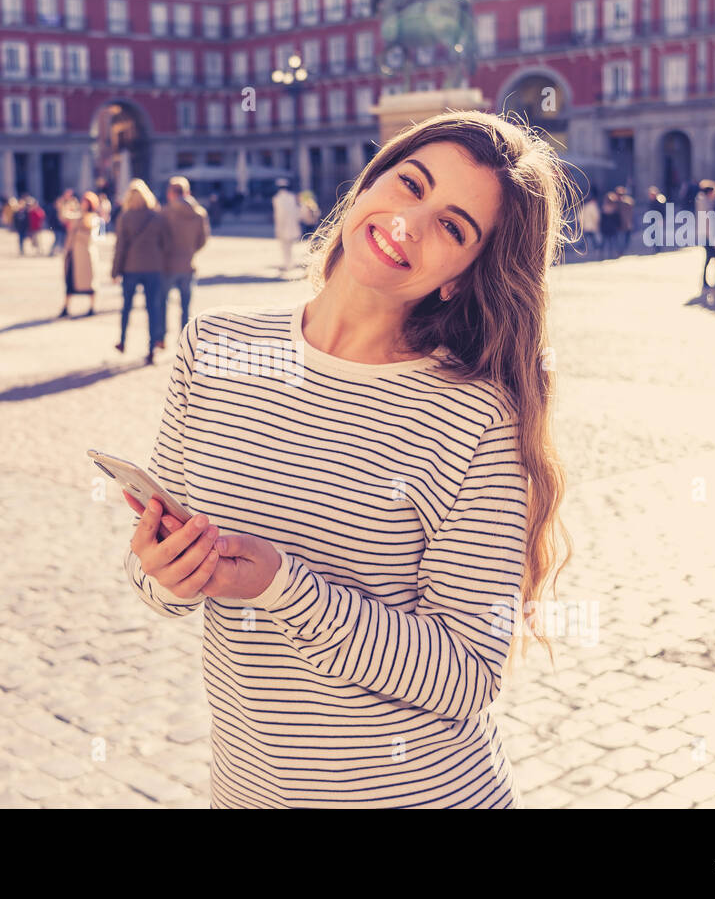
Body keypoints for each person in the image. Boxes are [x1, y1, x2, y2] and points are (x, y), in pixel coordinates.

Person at [121, 109, 571, 809]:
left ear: (462, 275)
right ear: (367, 185)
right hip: (247, 792)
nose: (409, 223)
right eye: (409, 184)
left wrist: (283, 586)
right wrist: (166, 573)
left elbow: (466, 675)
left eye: (453, 227)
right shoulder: (212, 348)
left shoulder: (477, 418)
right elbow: (155, 574)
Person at [111, 178, 173, 366]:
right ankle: (151, 348)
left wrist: (115, 271)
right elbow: (167, 243)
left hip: (130, 268)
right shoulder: (157, 217)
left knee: (126, 307)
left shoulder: (125, 217)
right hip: (153, 268)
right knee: (152, 309)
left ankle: (122, 341)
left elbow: (120, 246)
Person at [158, 176, 209, 347]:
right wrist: (190, 250)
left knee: (162, 302)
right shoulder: (199, 213)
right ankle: (184, 341)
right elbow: (202, 240)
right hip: (188, 264)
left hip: (168, 265)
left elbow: (159, 239)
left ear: (171, 193)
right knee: (185, 307)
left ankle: (161, 337)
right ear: (187, 192)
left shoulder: (164, 213)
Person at [57, 192, 97, 318]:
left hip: (86, 255)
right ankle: (65, 307)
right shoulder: (78, 216)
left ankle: (92, 307)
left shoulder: (96, 218)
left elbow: (99, 237)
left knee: (89, 284)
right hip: (73, 253)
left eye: (86, 202)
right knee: (70, 281)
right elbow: (63, 217)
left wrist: (78, 232)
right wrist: (64, 201)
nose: (83, 204)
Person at [272, 178, 303, 276]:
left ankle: (287, 264)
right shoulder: (292, 197)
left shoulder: (276, 198)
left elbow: (279, 215)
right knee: (290, 246)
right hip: (292, 225)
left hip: (283, 226)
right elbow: (297, 211)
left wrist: (278, 228)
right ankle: (290, 264)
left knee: (284, 247)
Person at [694, 180, 715, 293]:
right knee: (712, 257)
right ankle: (708, 281)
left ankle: (706, 281)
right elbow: (708, 222)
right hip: (708, 235)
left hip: (704, 234)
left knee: (709, 258)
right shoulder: (706, 204)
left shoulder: (702, 201)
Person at [578, 188, 601, 255]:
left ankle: (581, 247)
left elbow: (580, 215)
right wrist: (597, 223)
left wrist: (582, 223)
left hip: (586, 225)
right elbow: (596, 216)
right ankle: (596, 248)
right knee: (590, 237)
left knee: (587, 237)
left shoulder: (586, 206)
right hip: (591, 225)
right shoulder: (593, 206)